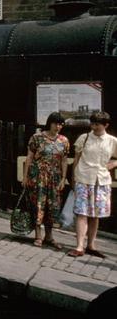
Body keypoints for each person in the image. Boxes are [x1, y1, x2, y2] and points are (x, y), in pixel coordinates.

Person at [68, 111, 117, 258]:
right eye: (92, 123)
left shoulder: (112, 141)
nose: (93, 127)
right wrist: (73, 179)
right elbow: (76, 159)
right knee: (82, 212)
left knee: (95, 214)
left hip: (101, 180)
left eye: (97, 124)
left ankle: (91, 244)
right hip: (84, 177)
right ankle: (79, 246)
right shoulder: (84, 138)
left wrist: (113, 164)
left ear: (106, 125)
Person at [22, 112, 69, 248]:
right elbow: (29, 157)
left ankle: (49, 236)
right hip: (38, 176)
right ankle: (38, 235)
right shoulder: (37, 137)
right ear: (50, 123)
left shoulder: (64, 141)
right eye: (56, 123)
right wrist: (25, 177)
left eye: (61, 124)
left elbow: (64, 160)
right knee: (39, 204)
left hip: (55, 178)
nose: (58, 126)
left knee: (52, 206)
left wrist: (63, 179)